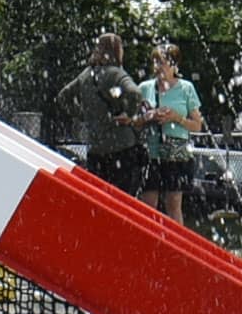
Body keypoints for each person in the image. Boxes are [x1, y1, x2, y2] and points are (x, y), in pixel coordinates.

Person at [56, 31, 147, 190]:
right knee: (123, 198)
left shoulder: (85, 75)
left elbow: (63, 96)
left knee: (100, 196)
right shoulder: (116, 73)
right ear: (117, 50)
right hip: (121, 147)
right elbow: (135, 93)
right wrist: (129, 114)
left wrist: (82, 114)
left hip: (95, 149)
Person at [139, 39, 206, 218]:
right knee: (148, 203)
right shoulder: (145, 88)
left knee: (173, 203)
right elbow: (134, 120)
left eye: (163, 62)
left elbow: (197, 126)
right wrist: (150, 116)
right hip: (151, 151)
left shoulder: (186, 88)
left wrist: (177, 118)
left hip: (176, 152)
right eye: (156, 62)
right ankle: (148, 242)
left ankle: (174, 242)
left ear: (174, 65)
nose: (158, 67)